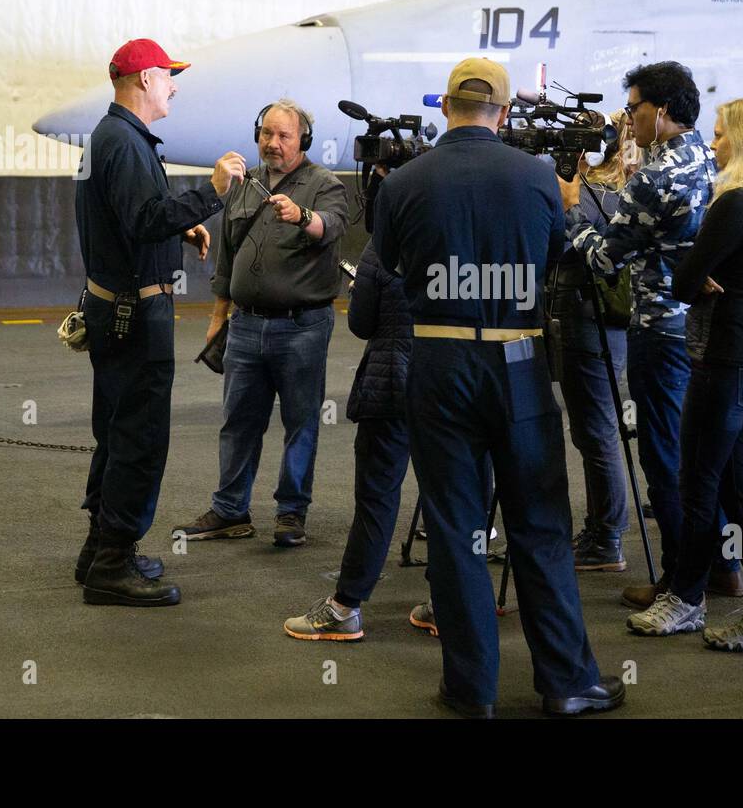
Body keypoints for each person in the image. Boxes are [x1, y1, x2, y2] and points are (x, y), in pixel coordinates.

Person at [374, 57, 623, 718]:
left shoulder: (402, 184)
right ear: (505, 114)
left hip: (439, 362)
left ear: (445, 107)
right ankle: (569, 683)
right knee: (539, 525)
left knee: (455, 532)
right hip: (518, 360)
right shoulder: (537, 178)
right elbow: (551, 263)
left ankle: (470, 688)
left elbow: (392, 272)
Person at [557, 61, 743, 614]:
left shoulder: (654, 177)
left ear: (661, 112)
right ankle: (724, 569)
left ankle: (677, 580)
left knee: (664, 458)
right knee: (705, 455)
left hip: (658, 332)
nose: (629, 120)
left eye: (635, 109)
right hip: (702, 329)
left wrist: (573, 209)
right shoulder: (709, 162)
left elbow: (604, 257)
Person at [74, 38, 241, 607]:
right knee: (139, 439)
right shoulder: (123, 141)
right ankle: (113, 565)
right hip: (134, 314)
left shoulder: (112, 137)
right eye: (168, 75)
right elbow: (144, 218)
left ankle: (100, 548)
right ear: (145, 79)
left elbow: (132, 222)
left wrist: (178, 227)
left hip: (114, 307)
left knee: (117, 431)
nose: (173, 84)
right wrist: (212, 195)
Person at [651, 98, 743, 646]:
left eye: (718, 136)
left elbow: (685, 283)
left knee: (698, 484)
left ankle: (686, 600)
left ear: (741, 142)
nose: (711, 145)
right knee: (739, 492)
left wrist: (696, 269)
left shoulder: (735, 200)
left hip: (725, 360)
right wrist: (702, 269)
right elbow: (700, 274)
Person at [173, 99, 348, 548]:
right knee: (237, 422)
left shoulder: (325, 185)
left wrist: (301, 217)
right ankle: (231, 510)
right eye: (267, 134)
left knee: (301, 422)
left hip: (302, 327)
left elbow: (331, 226)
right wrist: (217, 317)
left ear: (302, 140)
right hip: (245, 326)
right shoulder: (244, 184)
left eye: (284, 136)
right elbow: (228, 256)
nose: (273, 143)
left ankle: (291, 513)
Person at [282, 166, 417, 640]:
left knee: (377, 501)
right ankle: (448, 601)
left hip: (390, 387)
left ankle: (344, 608)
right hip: (450, 383)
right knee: (454, 499)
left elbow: (362, 325)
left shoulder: (383, 249)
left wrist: (363, 289)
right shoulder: (459, 240)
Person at [550, 111, 635, 571]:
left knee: (596, 429)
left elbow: (569, 247)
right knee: (595, 428)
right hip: (601, 320)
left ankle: (607, 538)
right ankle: (605, 531)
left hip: (588, 318)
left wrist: (565, 204)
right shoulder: (618, 187)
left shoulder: (588, 193)